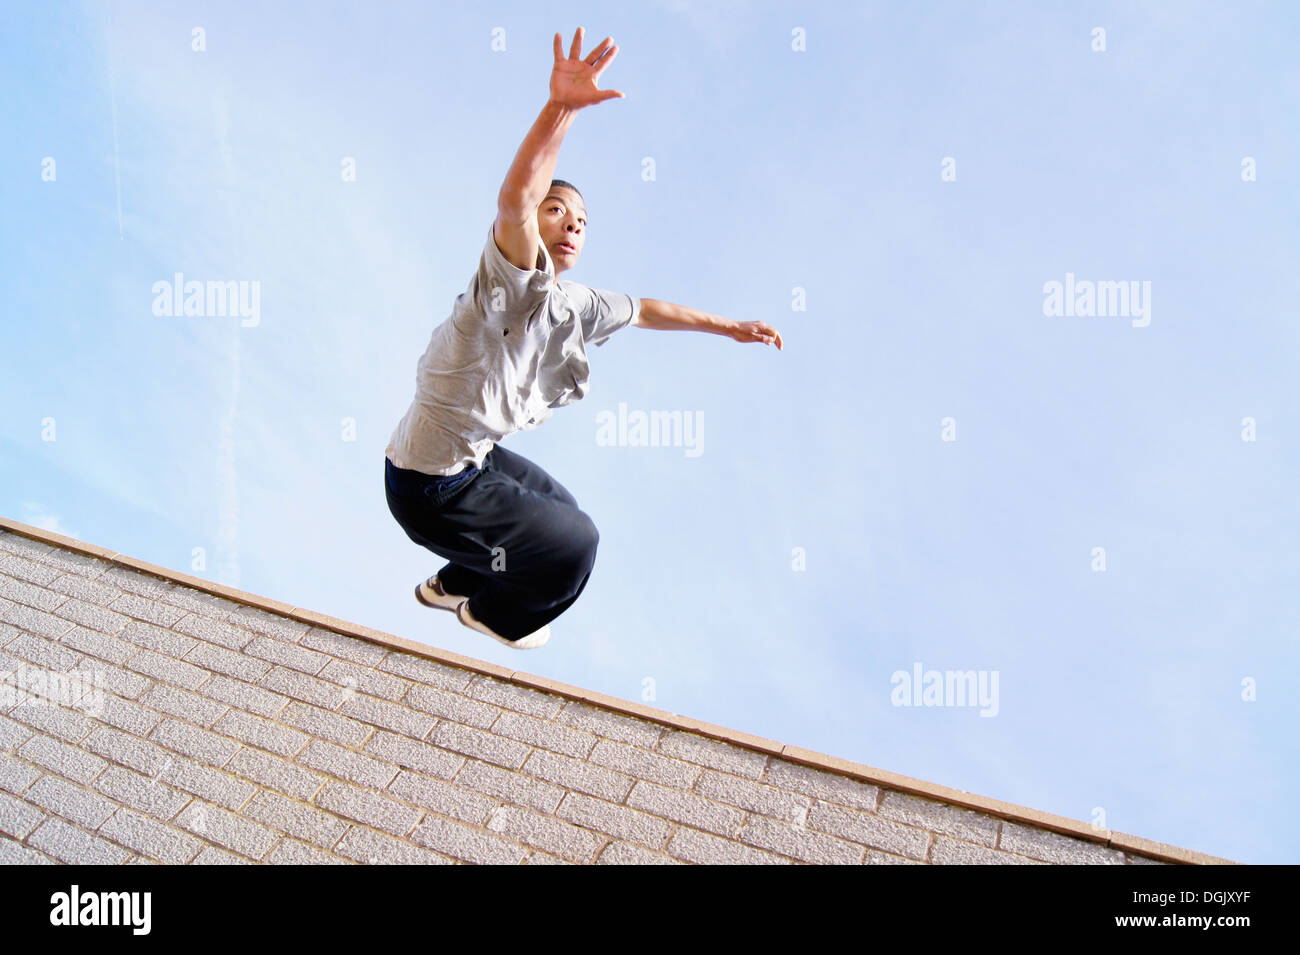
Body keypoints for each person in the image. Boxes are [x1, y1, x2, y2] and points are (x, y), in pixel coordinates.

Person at [384, 27, 783, 650]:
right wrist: (561, 108)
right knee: (574, 546)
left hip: (470, 460)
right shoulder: (509, 277)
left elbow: (647, 309)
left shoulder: (574, 304)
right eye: (558, 211)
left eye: (581, 221)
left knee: (558, 504)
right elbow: (516, 197)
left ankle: (453, 582)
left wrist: (727, 326)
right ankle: (492, 612)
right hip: (428, 487)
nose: (571, 225)